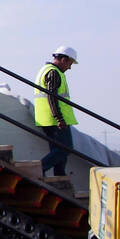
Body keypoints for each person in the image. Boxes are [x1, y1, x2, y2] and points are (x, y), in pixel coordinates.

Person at [34, 46, 79, 178]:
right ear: (64, 59)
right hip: (54, 119)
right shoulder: (53, 72)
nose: (69, 68)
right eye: (69, 64)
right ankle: (39, 169)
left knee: (58, 149)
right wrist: (59, 118)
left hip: (47, 118)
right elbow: (51, 96)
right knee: (65, 147)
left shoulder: (46, 70)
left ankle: (60, 175)